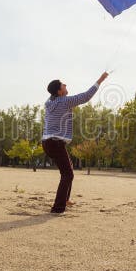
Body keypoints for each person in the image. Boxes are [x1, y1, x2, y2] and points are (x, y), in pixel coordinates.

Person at [42, 72, 109, 213]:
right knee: (68, 174)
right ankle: (58, 208)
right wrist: (100, 80)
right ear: (60, 92)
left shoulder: (49, 103)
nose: (65, 85)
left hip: (48, 142)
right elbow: (85, 96)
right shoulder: (64, 101)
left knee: (68, 170)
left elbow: (52, 94)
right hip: (55, 142)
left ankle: (65, 200)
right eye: (63, 84)